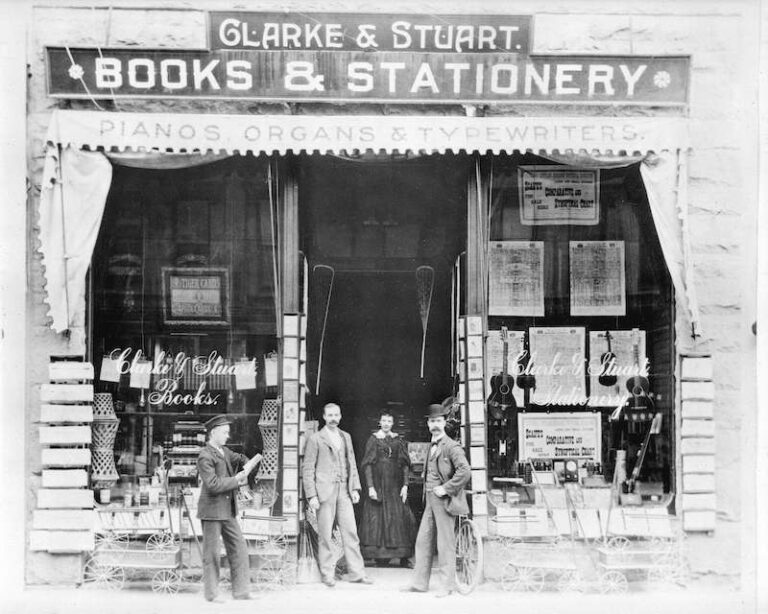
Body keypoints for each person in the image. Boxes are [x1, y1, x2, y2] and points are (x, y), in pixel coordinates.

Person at [302, 403, 373, 587]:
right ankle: (327, 574)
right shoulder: (315, 439)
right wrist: (312, 496)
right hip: (324, 492)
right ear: (324, 417)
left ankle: (357, 573)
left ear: (340, 416)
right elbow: (308, 468)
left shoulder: (345, 437)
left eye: (336, 415)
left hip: (344, 490)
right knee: (324, 534)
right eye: (330, 415)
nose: (333, 418)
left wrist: (355, 488)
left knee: (351, 532)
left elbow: (352, 463)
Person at [402, 403, 470, 598]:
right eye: (432, 421)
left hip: (445, 500)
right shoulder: (432, 445)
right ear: (428, 423)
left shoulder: (451, 446)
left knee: (445, 543)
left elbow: (465, 471)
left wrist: (446, 488)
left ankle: (446, 585)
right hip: (431, 500)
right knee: (423, 541)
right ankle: (419, 583)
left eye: (439, 421)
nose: (435, 425)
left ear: (445, 422)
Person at [197, 414, 262, 603]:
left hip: (227, 509)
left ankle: (241, 591)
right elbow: (213, 484)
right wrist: (237, 480)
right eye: (225, 432)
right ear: (214, 432)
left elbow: (239, 457)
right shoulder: (205, 455)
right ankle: (211, 594)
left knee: (239, 548)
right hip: (211, 511)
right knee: (212, 553)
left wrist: (248, 462)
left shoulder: (223, 451)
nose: (228, 436)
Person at [359, 411, 416, 567]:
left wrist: (405, 486)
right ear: (379, 422)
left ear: (392, 423)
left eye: (389, 421)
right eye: (383, 420)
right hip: (378, 484)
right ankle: (379, 557)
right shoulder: (373, 439)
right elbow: (367, 466)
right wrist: (370, 487)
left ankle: (403, 557)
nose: (386, 423)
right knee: (376, 518)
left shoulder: (398, 440)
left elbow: (404, 465)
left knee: (401, 517)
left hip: (395, 485)